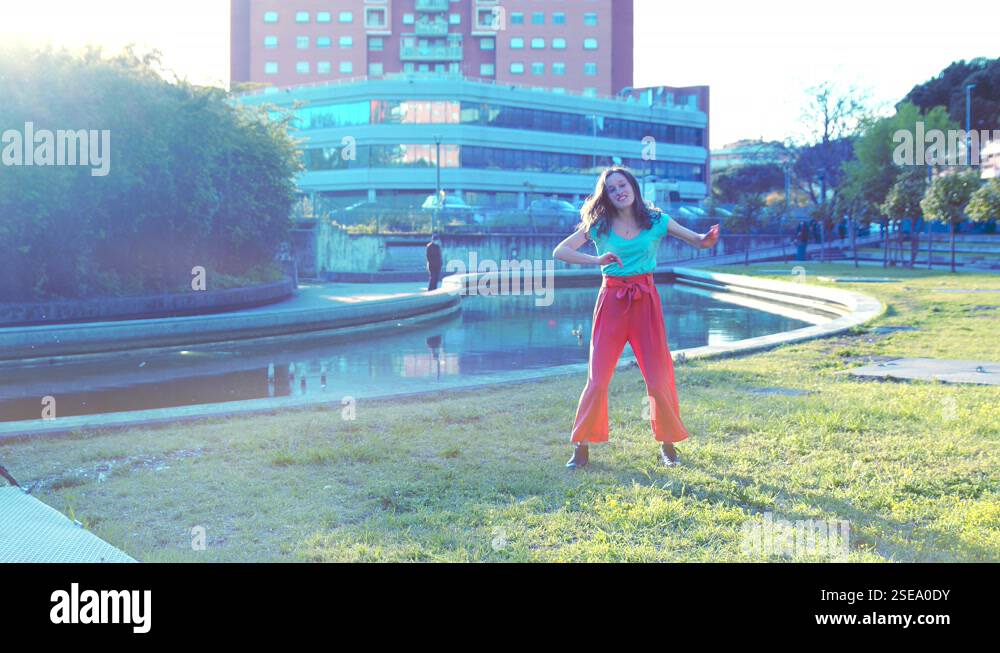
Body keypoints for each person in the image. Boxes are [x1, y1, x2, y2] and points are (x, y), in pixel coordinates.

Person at [552, 167, 720, 470]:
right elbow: (561, 251)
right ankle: (581, 446)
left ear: (633, 186)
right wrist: (596, 259)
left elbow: (697, 240)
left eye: (623, 184)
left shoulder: (656, 220)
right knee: (599, 378)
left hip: (646, 302)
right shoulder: (599, 225)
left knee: (658, 380)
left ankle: (668, 446)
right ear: (607, 195)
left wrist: (707, 239)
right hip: (612, 302)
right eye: (612, 188)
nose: (619, 191)